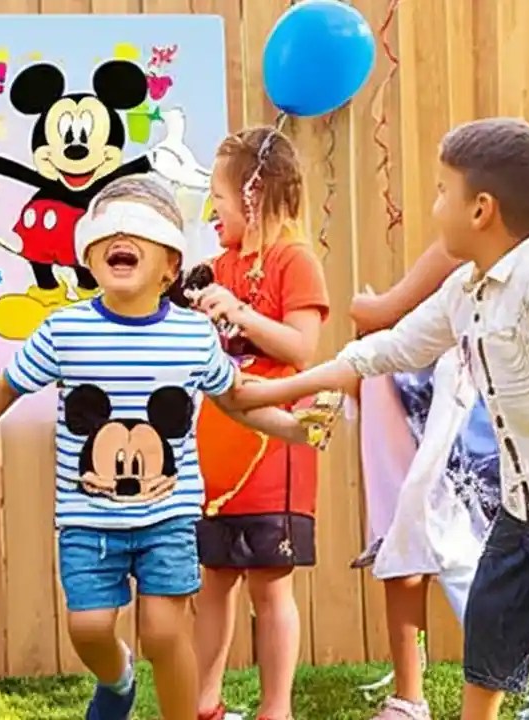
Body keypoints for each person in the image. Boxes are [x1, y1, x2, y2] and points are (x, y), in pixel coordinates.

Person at [230, 117, 529, 720]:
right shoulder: (466, 289)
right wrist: (273, 392)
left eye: (441, 191)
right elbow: (386, 350)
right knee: (491, 620)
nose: (434, 206)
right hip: (526, 497)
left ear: (481, 209)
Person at [0, 175, 315, 720]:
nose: (121, 234)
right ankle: (117, 679)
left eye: (139, 228)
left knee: (164, 632)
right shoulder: (64, 331)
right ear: (87, 255)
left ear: (170, 265)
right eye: (108, 228)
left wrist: (293, 427)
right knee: (89, 628)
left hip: (168, 517)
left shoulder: (193, 336)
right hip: (88, 520)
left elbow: (237, 397)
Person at [183, 127, 329, 720]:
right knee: (215, 578)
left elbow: (302, 347)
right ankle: (203, 704)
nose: (210, 212)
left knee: (270, 582)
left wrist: (240, 312)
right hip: (218, 445)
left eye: (217, 199)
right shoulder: (216, 266)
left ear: (253, 197)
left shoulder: (295, 260)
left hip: (274, 450)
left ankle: (276, 709)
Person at [350, 240, 501, 720]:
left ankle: (497, 681)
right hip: (419, 417)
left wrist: (365, 302)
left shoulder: (458, 251)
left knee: (478, 565)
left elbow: (375, 311)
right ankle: (411, 696)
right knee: (405, 555)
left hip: (460, 435)